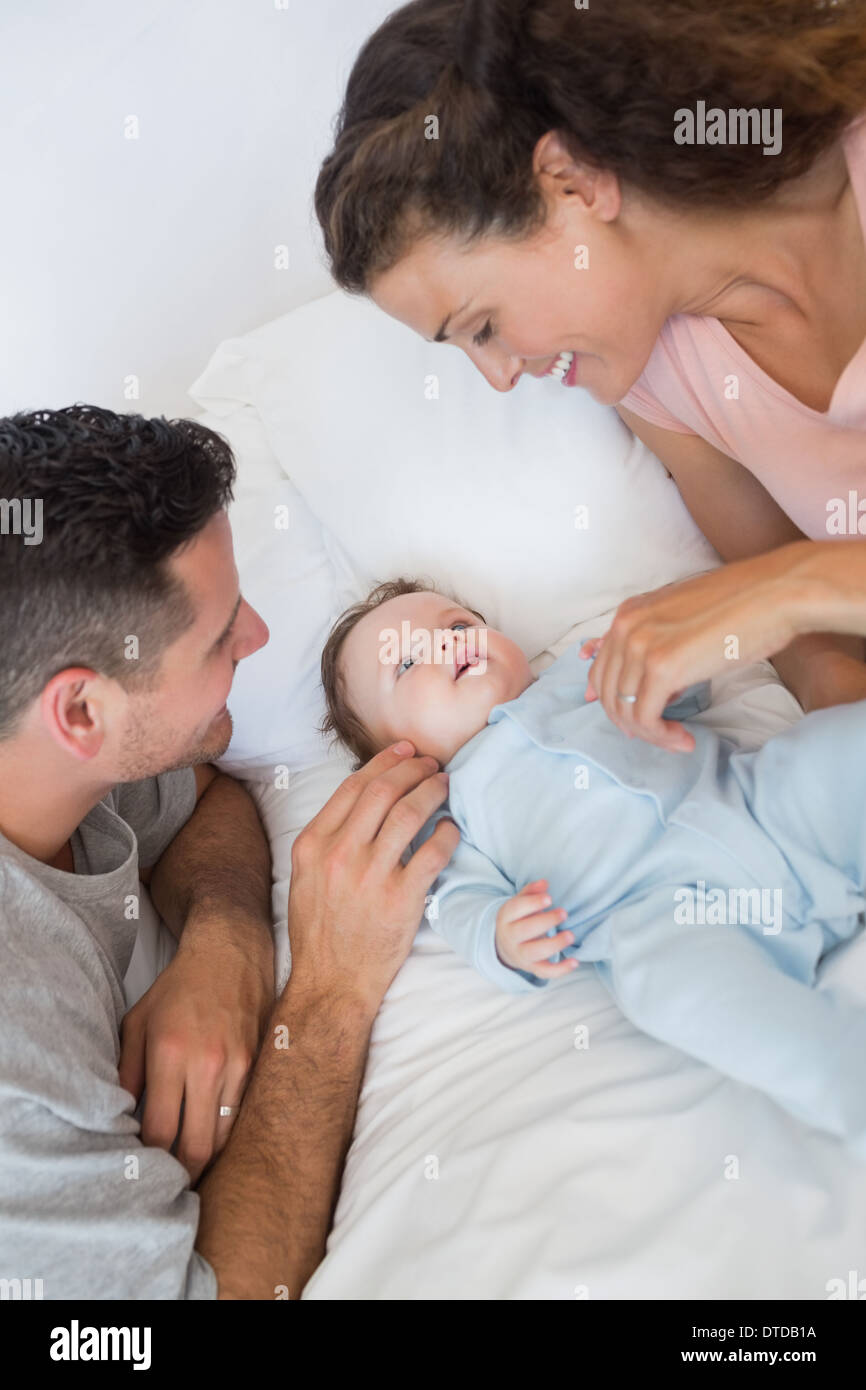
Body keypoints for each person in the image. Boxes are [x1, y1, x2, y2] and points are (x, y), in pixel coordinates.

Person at [314, 0, 866, 749]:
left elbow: (773, 591)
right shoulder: (654, 379)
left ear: (570, 183)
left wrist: (789, 591)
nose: (502, 377)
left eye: (483, 327)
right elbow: (814, 647)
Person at [0, 406, 458, 1299]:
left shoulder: (44, 756)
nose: (257, 636)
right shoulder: (17, 1061)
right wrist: (329, 992)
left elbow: (202, 797)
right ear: (82, 714)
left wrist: (227, 942)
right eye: (219, 637)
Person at [318, 577, 866, 1152]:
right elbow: (457, 903)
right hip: (664, 915)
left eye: (457, 626)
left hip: (753, 799)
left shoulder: (576, 677)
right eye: (406, 663)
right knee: (666, 989)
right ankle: (843, 1072)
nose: (447, 645)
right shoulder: (445, 809)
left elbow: (684, 688)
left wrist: (658, 669)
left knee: (833, 756)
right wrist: (501, 938)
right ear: (393, 753)